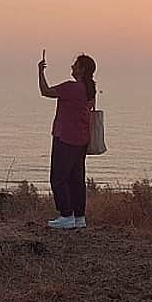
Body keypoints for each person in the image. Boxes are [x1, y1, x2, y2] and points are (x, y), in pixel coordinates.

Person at [38, 51, 97, 230]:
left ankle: (66, 215)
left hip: (66, 138)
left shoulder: (72, 88)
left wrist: (40, 72)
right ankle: (79, 217)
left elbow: (45, 91)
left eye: (76, 65)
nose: (72, 67)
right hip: (81, 140)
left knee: (58, 178)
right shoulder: (90, 90)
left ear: (82, 69)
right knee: (77, 178)